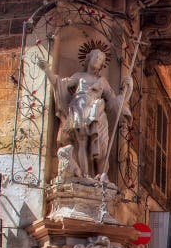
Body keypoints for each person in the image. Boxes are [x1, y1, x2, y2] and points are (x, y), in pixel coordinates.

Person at [38, 48, 133, 182]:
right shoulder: (78, 76)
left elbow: (114, 102)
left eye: (100, 59)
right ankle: (85, 175)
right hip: (80, 109)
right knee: (81, 143)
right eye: (95, 57)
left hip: (97, 113)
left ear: (102, 65)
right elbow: (60, 84)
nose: (97, 60)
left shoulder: (103, 81)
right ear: (88, 59)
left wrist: (128, 90)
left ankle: (98, 175)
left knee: (100, 147)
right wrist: (47, 70)